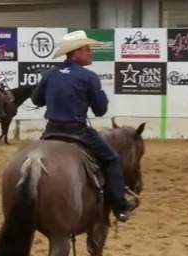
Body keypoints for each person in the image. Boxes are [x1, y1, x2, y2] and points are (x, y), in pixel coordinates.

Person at [31, 30, 138, 223]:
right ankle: (120, 206)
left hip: (51, 131)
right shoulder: (88, 76)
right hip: (77, 131)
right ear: (76, 52)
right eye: (87, 49)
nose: (91, 53)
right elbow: (100, 110)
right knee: (111, 159)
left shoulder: (49, 74)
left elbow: (36, 99)